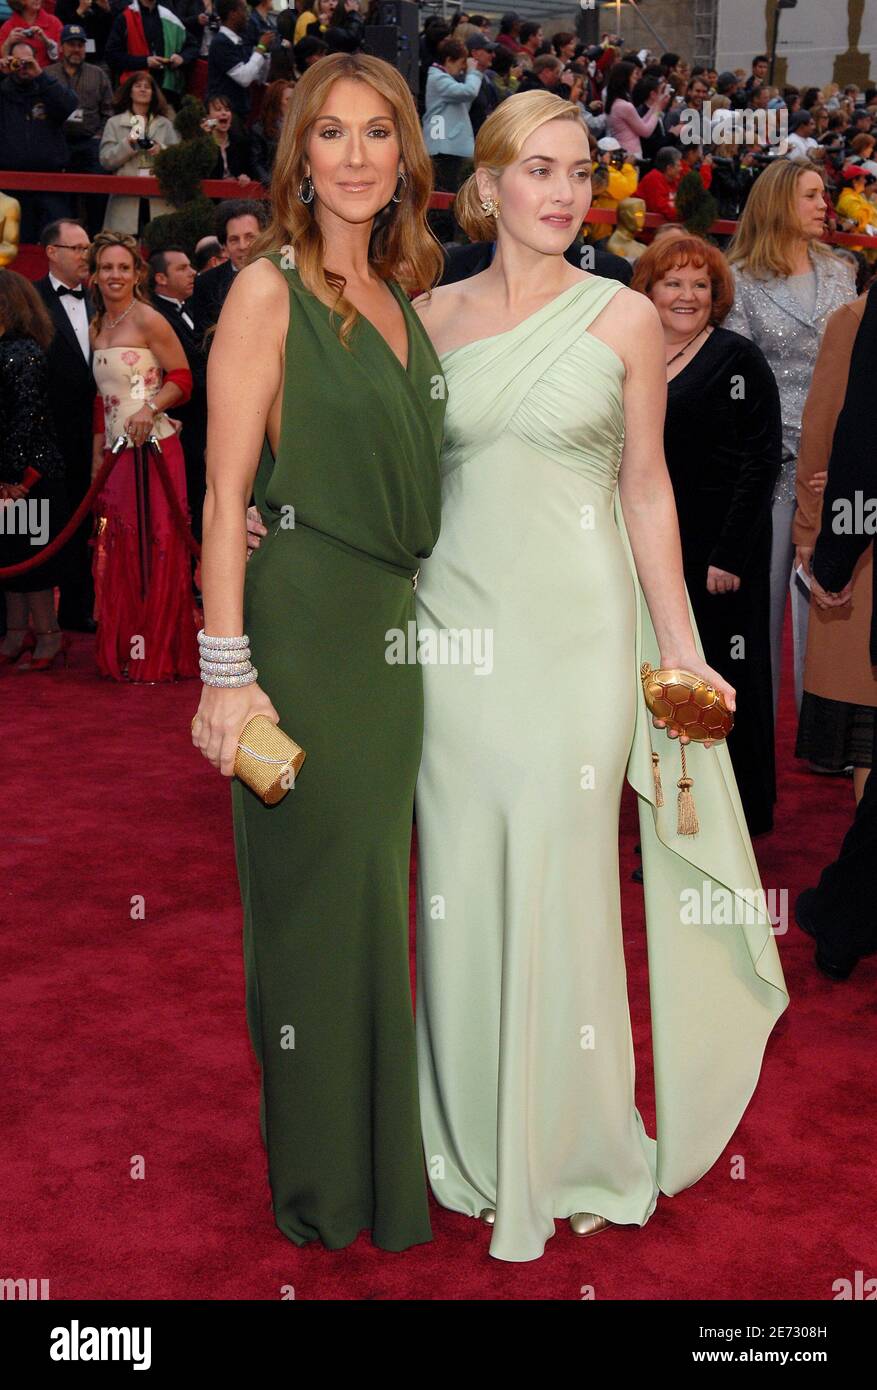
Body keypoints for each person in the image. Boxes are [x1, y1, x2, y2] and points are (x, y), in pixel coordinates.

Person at [408, 91, 788, 1262]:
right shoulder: (423, 318)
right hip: (453, 640)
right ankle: (472, 1131)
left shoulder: (622, 317)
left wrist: (678, 647)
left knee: (566, 876)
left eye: (582, 171)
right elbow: (401, 488)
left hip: (580, 637)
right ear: (487, 185)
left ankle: (566, 1141)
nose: (566, 191)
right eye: (539, 169)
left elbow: (644, 489)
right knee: (461, 878)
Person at [191, 51, 447, 1252]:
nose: (354, 156)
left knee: (372, 907)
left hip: (392, 640)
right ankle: (323, 1188)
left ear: (406, 156)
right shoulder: (263, 291)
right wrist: (226, 672)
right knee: (308, 914)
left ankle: (383, 1174)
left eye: (376, 133)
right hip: (298, 626)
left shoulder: (410, 300)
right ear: (300, 156)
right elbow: (223, 492)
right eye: (330, 134)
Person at [631, 234, 782, 836]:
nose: (687, 295)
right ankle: (670, 809)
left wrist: (730, 555)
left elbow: (761, 459)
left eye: (701, 285)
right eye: (674, 282)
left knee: (723, 678)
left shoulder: (738, 359)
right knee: (659, 678)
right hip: (651, 545)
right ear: (648, 289)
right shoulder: (630, 355)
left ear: (717, 296)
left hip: (720, 556)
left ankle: (732, 819)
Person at [724, 158, 857, 719]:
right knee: (764, 601)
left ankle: (825, 726)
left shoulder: (842, 272)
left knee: (835, 600)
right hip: (770, 467)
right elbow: (739, 381)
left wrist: (839, 455)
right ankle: (754, 724)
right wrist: (785, 452)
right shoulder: (738, 278)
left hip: (833, 465)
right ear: (780, 202)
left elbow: (854, 370)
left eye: (823, 194)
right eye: (810, 195)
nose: (824, 204)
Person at [795, 282, 877, 980]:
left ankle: (842, 912)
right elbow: (851, 438)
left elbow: (863, 440)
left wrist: (833, 554)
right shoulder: (858, 318)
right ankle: (842, 912)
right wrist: (829, 551)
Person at [88, 231, 198, 682]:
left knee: (159, 542)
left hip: (155, 450)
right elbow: (101, 401)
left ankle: (160, 652)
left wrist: (150, 409)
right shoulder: (97, 327)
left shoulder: (150, 320)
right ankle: (129, 646)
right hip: (116, 457)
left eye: (123, 268)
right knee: (121, 545)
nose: (115, 276)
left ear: (137, 275)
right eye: (106, 268)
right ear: (95, 276)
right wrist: (97, 453)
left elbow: (184, 379)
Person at [0, 268, 70, 671]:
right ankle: (15, 634)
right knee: (12, 558)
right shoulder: (12, 349)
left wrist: (12, 478)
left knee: (33, 562)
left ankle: (49, 636)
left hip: (31, 478)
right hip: (14, 479)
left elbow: (27, 420)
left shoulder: (23, 353)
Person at [34, 217, 97, 633]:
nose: (85, 256)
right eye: (77, 248)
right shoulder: (32, 299)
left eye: (88, 248)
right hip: (43, 439)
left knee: (84, 527)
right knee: (33, 529)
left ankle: (76, 611)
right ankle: (26, 622)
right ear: (52, 253)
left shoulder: (103, 299)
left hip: (92, 440)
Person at [148, 246, 207, 543]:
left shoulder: (197, 306)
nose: (192, 272)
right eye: (182, 268)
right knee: (185, 503)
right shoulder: (154, 316)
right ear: (160, 278)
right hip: (177, 425)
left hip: (203, 424)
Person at [0, 41, 77, 242]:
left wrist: (41, 75)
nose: (23, 67)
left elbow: (69, 105)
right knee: (16, 244)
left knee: (56, 243)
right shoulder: (3, 91)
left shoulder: (47, 88)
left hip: (50, 182)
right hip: (10, 185)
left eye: (28, 61)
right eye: (17, 62)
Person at [45, 22, 114, 234]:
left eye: (80, 45)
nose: (76, 49)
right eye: (71, 44)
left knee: (99, 187)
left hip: (89, 141)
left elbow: (109, 110)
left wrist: (100, 134)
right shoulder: (48, 74)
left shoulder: (98, 73)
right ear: (61, 46)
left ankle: (94, 236)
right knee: (59, 197)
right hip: (57, 142)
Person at [99, 71, 180, 234]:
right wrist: (127, 143)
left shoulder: (165, 124)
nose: (143, 90)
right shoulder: (114, 123)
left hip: (159, 199)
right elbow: (106, 161)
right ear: (130, 91)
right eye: (138, 86)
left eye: (147, 87)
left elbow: (179, 158)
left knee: (159, 248)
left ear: (153, 93)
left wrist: (162, 150)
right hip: (125, 199)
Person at [190, 197, 267, 342]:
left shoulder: (282, 277)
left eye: (250, 237)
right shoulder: (206, 284)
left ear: (264, 238)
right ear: (224, 247)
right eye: (234, 239)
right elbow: (201, 342)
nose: (243, 246)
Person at [104, 0, 198, 108]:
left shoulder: (169, 17)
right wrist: (145, 62)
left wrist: (182, 58)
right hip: (133, 96)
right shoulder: (125, 17)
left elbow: (192, 46)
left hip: (165, 95)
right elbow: (111, 56)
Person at [206, 0, 271, 120]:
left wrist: (265, 52)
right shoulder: (221, 43)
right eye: (244, 10)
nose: (247, 16)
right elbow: (244, 78)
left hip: (239, 111)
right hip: (225, 114)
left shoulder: (238, 42)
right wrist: (261, 48)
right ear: (233, 14)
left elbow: (257, 77)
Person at [604, 59, 670, 162]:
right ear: (625, 79)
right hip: (630, 154)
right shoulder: (624, 106)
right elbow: (645, 131)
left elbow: (641, 123)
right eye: (633, 76)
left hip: (626, 152)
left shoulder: (616, 103)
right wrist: (657, 109)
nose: (636, 81)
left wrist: (656, 104)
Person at [249, 77, 293, 183]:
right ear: (276, 102)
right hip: (272, 186)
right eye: (289, 100)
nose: (293, 104)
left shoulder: (302, 127)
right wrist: (270, 183)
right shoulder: (259, 129)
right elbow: (255, 162)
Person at [201, 91, 253, 181]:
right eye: (218, 109)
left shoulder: (240, 142)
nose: (224, 113)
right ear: (208, 117)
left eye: (227, 109)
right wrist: (201, 137)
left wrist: (243, 176)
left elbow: (248, 171)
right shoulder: (202, 144)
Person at [0, 0, 61, 69]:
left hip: (47, 75)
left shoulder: (54, 22)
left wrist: (47, 42)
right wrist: (8, 43)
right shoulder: (8, 26)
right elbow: (3, 64)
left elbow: (62, 57)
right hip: (18, 75)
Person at [635, 144, 684, 219]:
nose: (681, 169)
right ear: (669, 168)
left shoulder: (673, 181)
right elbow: (661, 208)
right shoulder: (653, 179)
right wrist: (685, 214)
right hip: (645, 227)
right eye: (679, 166)